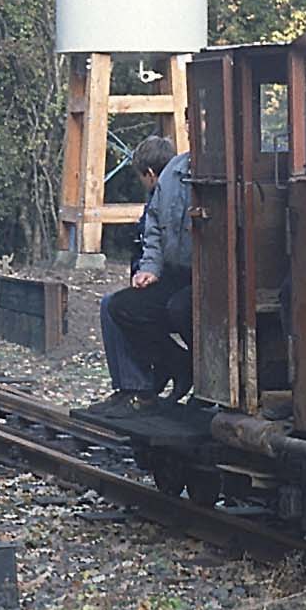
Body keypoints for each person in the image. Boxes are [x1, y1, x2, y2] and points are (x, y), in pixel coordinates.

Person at [102, 147, 195, 417]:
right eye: (192, 122)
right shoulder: (173, 172)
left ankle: (204, 384)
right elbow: (153, 224)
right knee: (122, 306)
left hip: (210, 276)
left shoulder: (226, 169)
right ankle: (175, 366)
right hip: (174, 272)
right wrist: (150, 268)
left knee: (181, 308)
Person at [87, 135, 177, 415]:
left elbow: (165, 240)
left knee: (119, 307)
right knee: (113, 304)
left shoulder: (171, 192)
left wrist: (153, 271)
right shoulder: (161, 193)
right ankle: (129, 386)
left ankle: (144, 385)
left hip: (175, 278)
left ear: (150, 174)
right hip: (162, 274)